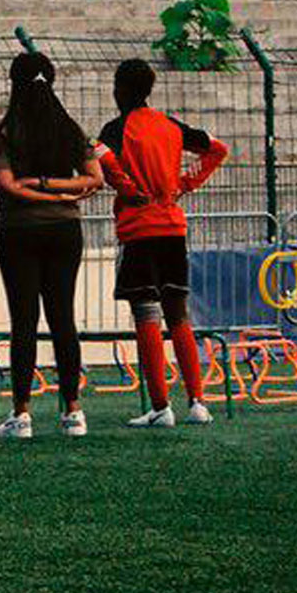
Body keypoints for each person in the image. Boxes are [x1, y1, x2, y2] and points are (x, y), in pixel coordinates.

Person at [97, 58, 230, 428]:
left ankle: (160, 407)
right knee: (179, 316)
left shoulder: (116, 128)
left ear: (120, 90)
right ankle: (198, 402)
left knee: (147, 318)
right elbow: (218, 149)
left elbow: (101, 157)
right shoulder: (170, 125)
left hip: (138, 229)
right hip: (173, 227)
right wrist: (186, 183)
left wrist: (127, 188)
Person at [0, 52, 103, 440]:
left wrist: (37, 187)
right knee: (62, 318)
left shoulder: (5, 130)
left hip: (19, 230)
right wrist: (57, 191)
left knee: (24, 322)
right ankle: (73, 410)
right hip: (65, 231)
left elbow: (7, 184)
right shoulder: (69, 128)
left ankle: (21, 413)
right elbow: (94, 178)